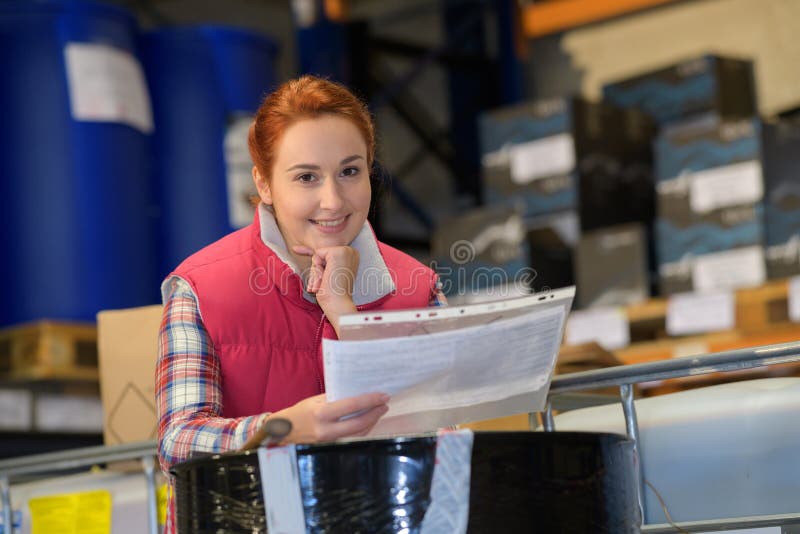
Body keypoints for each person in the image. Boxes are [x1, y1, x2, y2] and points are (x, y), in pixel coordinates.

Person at [155, 75, 445, 532]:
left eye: (350, 171)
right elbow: (178, 442)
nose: (332, 200)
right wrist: (283, 430)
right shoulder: (201, 287)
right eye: (306, 177)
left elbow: (444, 432)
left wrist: (344, 310)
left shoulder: (418, 288)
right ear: (264, 183)